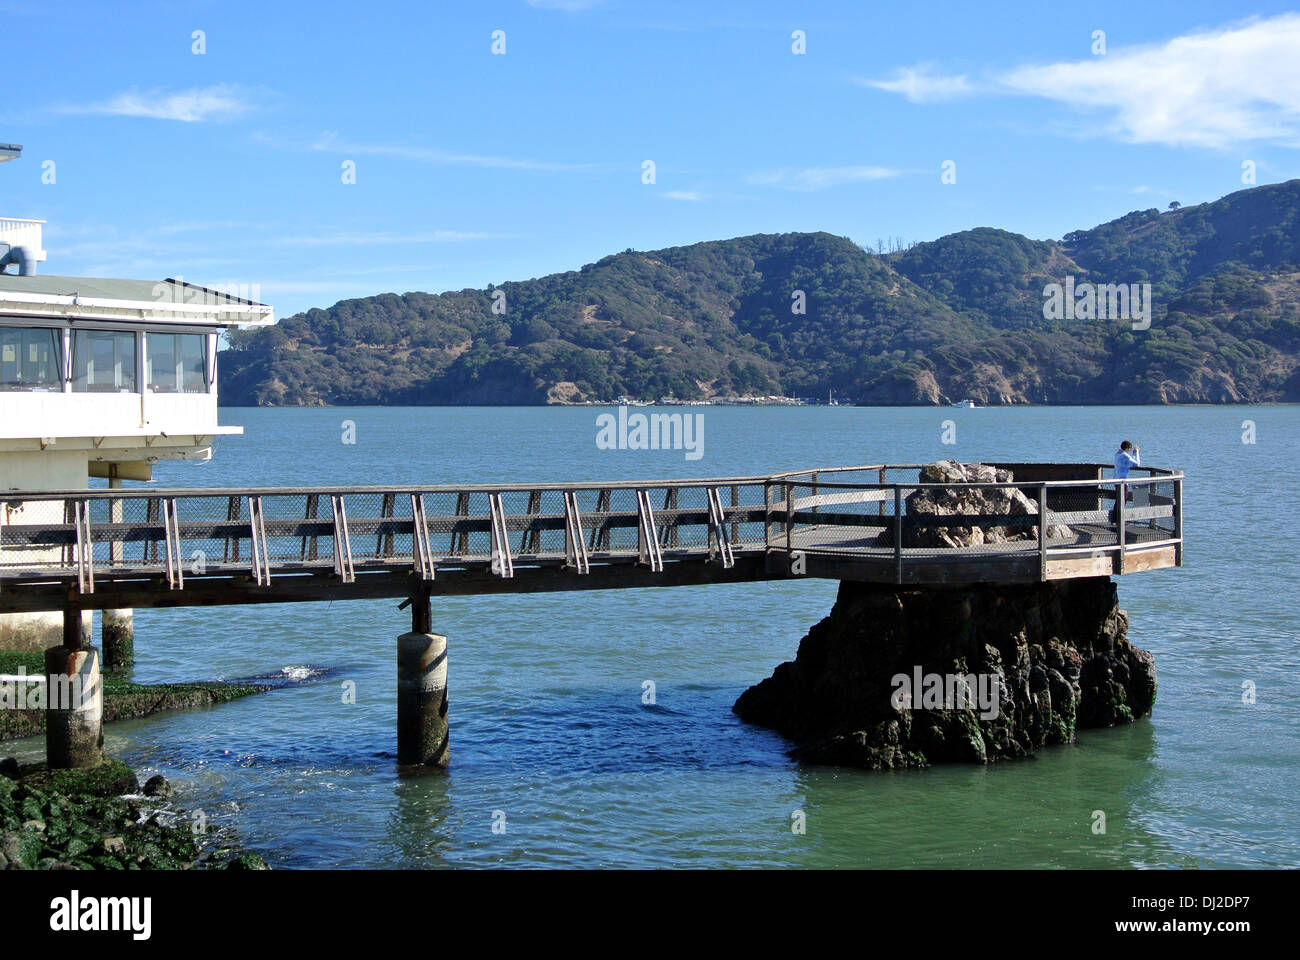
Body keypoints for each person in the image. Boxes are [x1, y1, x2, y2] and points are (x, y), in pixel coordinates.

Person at [1112, 440, 1140, 525]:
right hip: (1122, 481)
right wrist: (1136, 453)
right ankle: (1118, 520)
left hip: (1116, 479)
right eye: (1130, 449)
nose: (1130, 451)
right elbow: (1137, 464)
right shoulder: (1124, 455)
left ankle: (1115, 518)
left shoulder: (1117, 454)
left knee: (1119, 499)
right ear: (1127, 448)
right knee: (1123, 499)